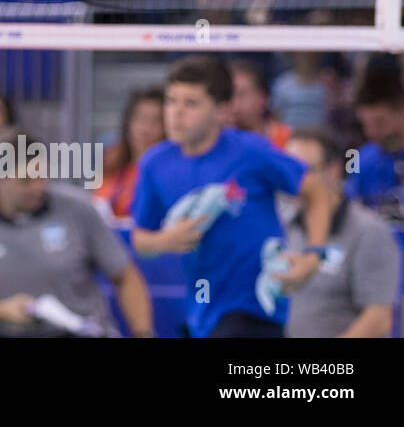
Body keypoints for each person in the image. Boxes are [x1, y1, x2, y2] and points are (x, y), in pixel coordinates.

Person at [131, 55, 334, 338]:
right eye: (171, 100)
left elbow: (316, 189)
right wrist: (165, 241)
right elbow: (140, 240)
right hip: (202, 312)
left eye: (191, 103)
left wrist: (313, 256)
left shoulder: (251, 152)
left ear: (222, 111)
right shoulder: (155, 164)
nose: (176, 113)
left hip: (255, 307)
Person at [0, 127, 154, 337]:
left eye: (42, 176)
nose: (38, 188)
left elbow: (125, 276)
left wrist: (143, 332)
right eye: (26, 181)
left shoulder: (79, 209)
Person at [284, 128, 400, 337]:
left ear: (333, 170)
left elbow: (378, 319)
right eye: (288, 170)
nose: (294, 181)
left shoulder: (369, 232)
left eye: (304, 171)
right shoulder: (283, 222)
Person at [95, 87, 164, 219]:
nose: (146, 129)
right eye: (140, 118)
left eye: (156, 121)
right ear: (128, 123)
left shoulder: (166, 175)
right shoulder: (112, 162)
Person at [346, 69, 404, 214]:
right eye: (365, 125)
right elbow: (350, 206)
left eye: (380, 123)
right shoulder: (359, 158)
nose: (371, 133)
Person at [226, 59, 291, 148]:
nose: (234, 105)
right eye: (228, 95)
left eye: (241, 95)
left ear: (263, 98)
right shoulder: (212, 144)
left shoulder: (289, 142)